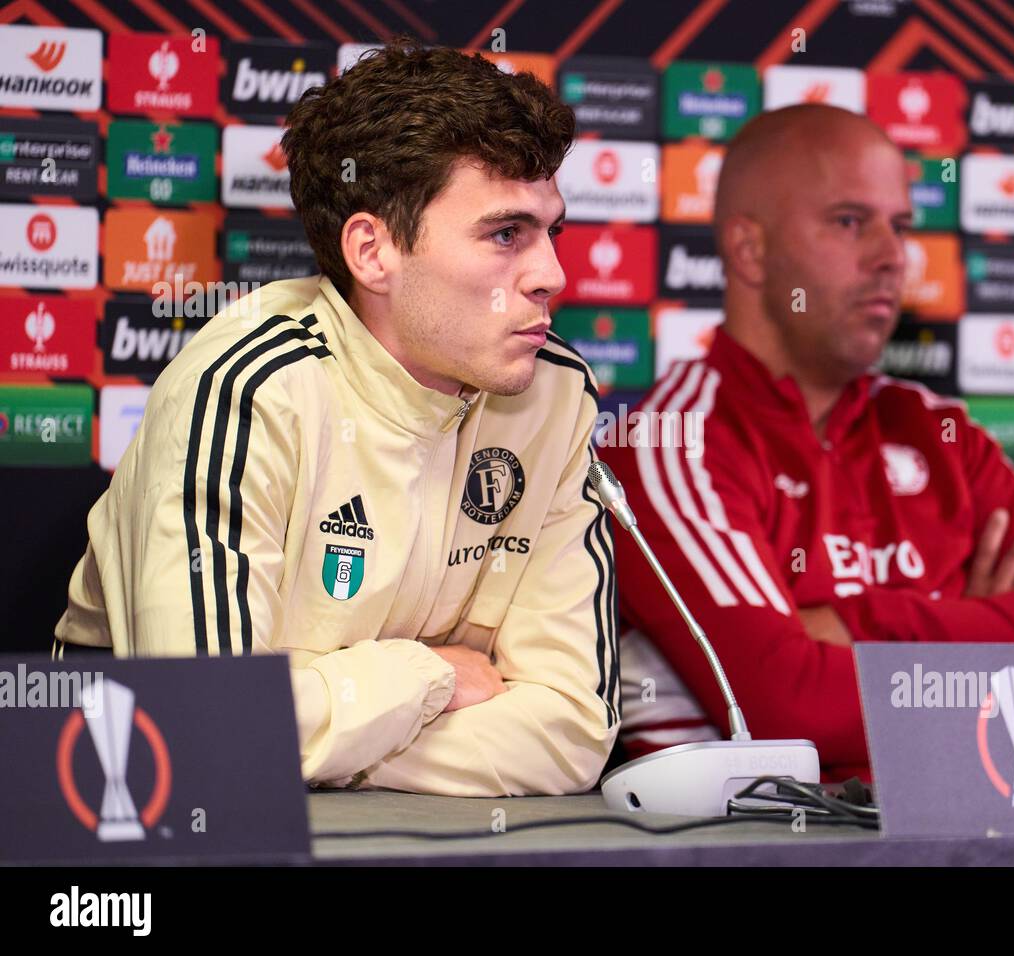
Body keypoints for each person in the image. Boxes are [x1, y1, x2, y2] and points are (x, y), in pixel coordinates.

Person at [54, 40, 620, 796]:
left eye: (553, 232)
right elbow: (193, 734)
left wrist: (304, 731)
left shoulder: (553, 393)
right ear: (373, 249)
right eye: (505, 234)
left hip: (417, 841)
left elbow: (571, 735)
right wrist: (425, 678)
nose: (552, 274)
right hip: (131, 822)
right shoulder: (248, 389)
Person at [599, 104, 1014, 783]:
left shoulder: (941, 433)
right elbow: (794, 711)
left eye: (900, 226)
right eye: (850, 222)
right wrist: (991, 636)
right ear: (749, 250)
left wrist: (855, 625)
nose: (891, 256)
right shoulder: (671, 444)